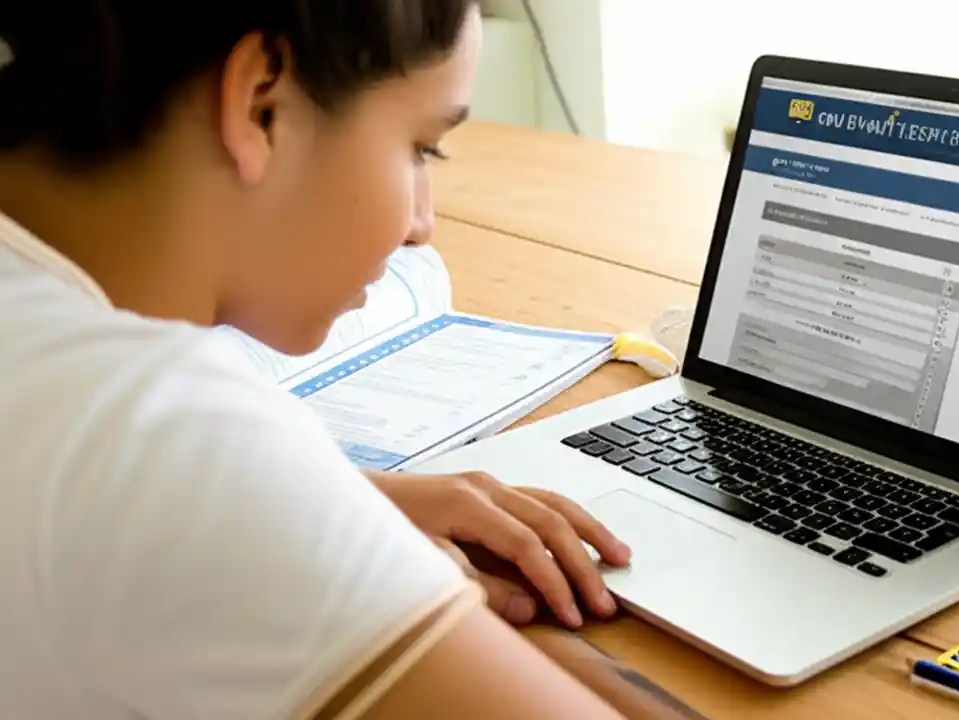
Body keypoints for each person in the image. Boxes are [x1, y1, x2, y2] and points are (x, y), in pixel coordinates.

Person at [0, 2, 703, 718]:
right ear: (260, 102)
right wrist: (432, 604)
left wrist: (352, 501)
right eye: (422, 147)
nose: (422, 225)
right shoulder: (162, 434)